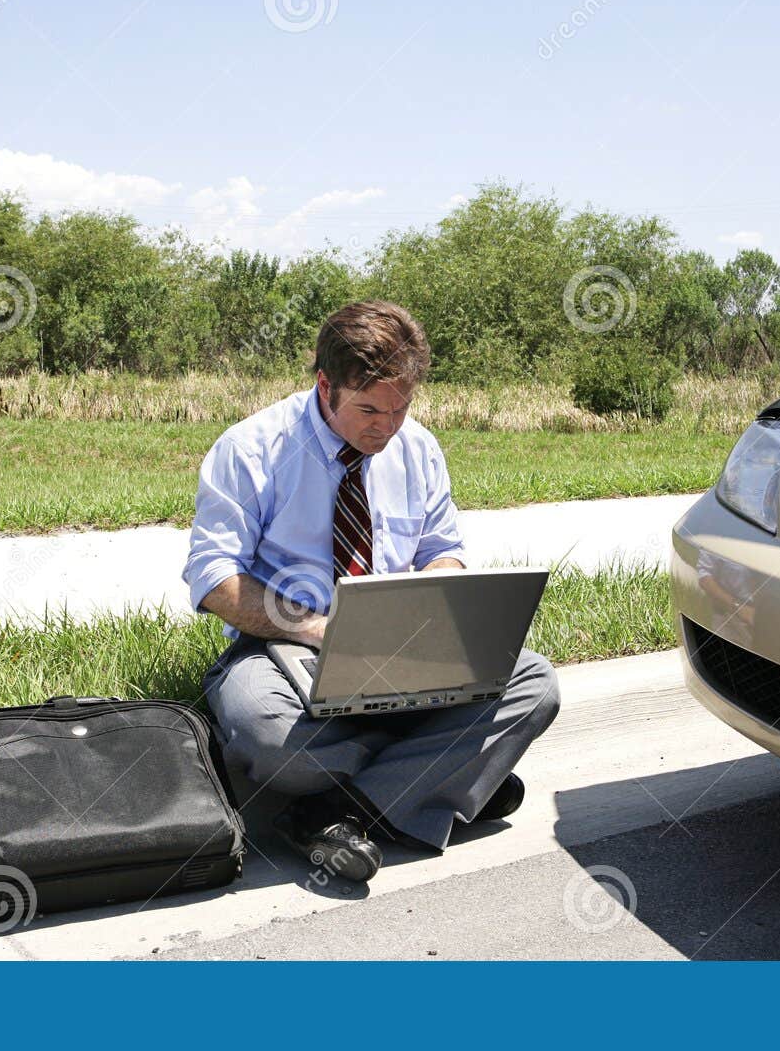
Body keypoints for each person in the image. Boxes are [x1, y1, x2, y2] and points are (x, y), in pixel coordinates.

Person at [184, 299, 561, 882]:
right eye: (367, 409)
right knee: (265, 732)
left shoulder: (419, 448)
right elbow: (214, 580)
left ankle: (332, 810)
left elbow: (442, 550)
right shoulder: (251, 448)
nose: (385, 427)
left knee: (534, 683)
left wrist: (438, 608)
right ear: (324, 385)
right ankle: (439, 774)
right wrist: (313, 627)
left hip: (402, 644)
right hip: (284, 647)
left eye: (401, 408)